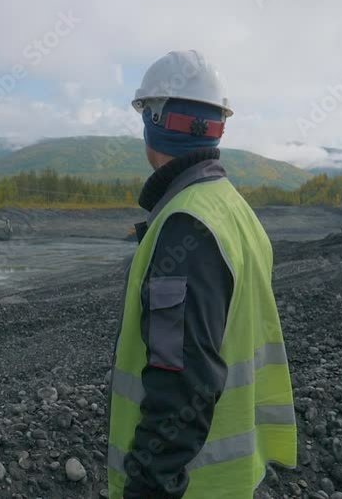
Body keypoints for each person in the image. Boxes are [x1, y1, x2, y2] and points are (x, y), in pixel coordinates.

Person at [107, 50, 297, 498]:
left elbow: (182, 380)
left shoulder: (186, 225)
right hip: (232, 475)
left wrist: (149, 487)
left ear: (154, 120)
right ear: (218, 128)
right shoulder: (233, 208)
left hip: (196, 486)